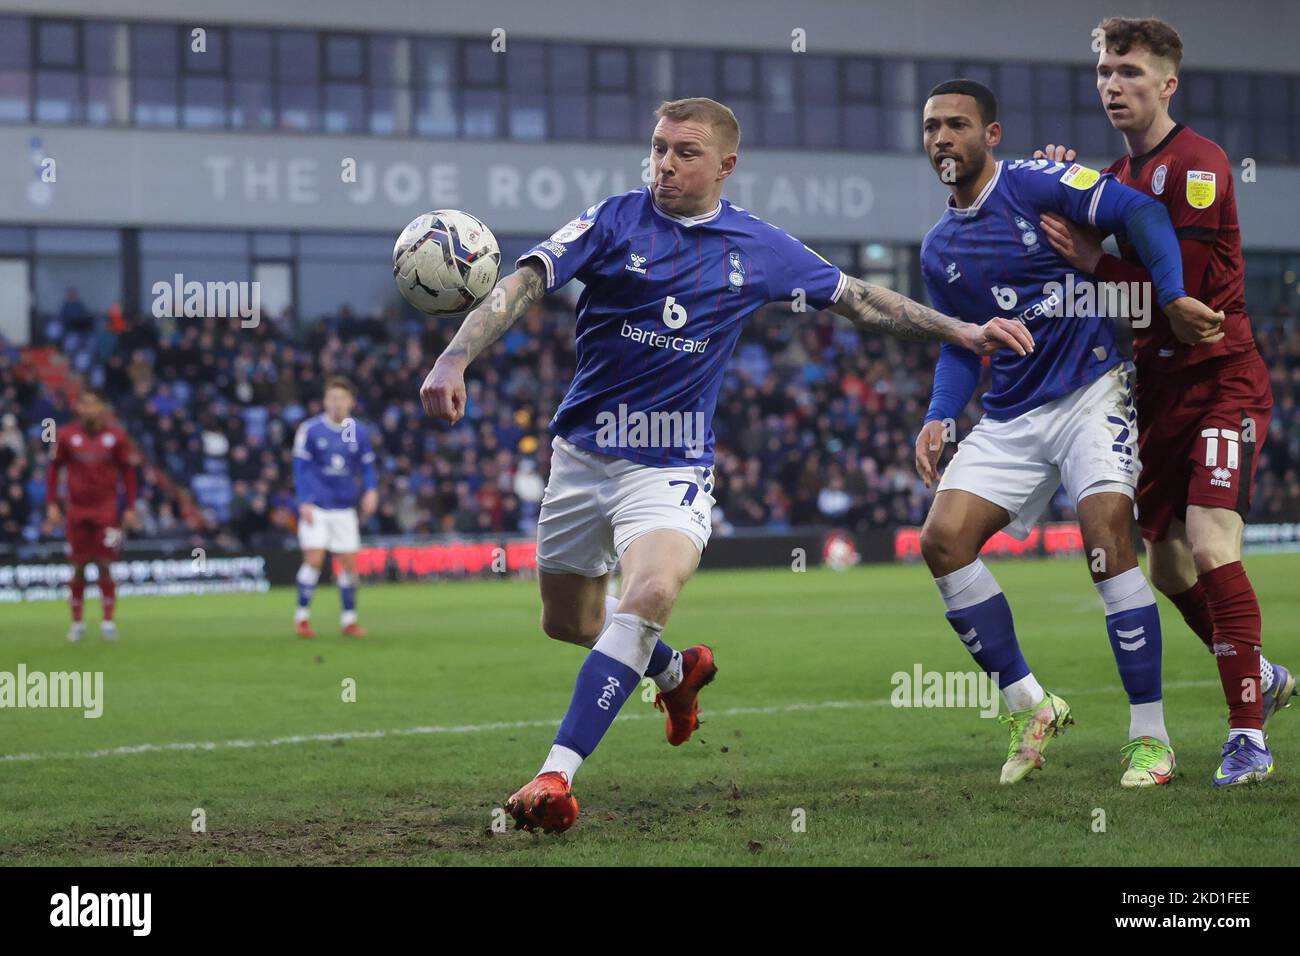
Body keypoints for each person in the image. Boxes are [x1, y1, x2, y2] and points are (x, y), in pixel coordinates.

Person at [421, 96, 1032, 832]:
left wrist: (965, 331)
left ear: (725, 165)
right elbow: (523, 283)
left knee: (648, 592)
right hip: (582, 456)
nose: (665, 165)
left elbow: (863, 300)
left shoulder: (760, 248)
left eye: (684, 152)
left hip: (671, 464)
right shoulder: (613, 220)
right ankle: (676, 675)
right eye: (657, 148)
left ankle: (556, 775)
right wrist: (456, 357)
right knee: (569, 621)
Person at [914, 79, 1222, 787]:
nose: (941, 138)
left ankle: (1151, 738)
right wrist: (938, 412)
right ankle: (1030, 703)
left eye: (957, 125)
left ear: (991, 135)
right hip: (1012, 412)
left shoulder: (1037, 182)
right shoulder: (938, 249)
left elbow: (1138, 210)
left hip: (1091, 391)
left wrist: (1170, 293)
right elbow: (964, 345)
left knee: (1107, 547)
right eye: (931, 126)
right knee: (941, 541)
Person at [1032, 16, 1291, 786]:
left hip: (1221, 380)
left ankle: (1247, 738)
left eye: (1132, 72)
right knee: (1169, 564)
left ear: (1167, 83)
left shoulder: (1199, 165)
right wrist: (1054, 177)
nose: (1114, 84)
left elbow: (1194, 303)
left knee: (1212, 546)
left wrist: (1096, 262)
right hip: (1157, 393)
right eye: (1107, 71)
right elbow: (1072, 239)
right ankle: (1263, 677)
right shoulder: (1116, 177)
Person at [44, 389, 138, 642]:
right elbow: (53, 469)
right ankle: (77, 623)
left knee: (105, 564)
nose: (87, 409)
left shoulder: (116, 437)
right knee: (78, 566)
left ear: (102, 408)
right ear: (78, 408)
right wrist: (52, 503)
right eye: (83, 404)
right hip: (77, 511)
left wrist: (129, 507)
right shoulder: (66, 435)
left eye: (93, 404)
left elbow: (128, 473)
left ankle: (108, 621)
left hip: (107, 512)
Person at [292, 376, 378, 638]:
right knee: (315, 559)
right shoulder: (310, 429)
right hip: (317, 505)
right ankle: (302, 618)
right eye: (331, 398)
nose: (336, 403)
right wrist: (304, 500)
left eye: (341, 398)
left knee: (350, 564)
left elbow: (367, 465)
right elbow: (300, 468)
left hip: (344, 507)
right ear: (324, 401)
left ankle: (349, 620)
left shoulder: (358, 431)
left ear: (351, 402)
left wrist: (371, 490)